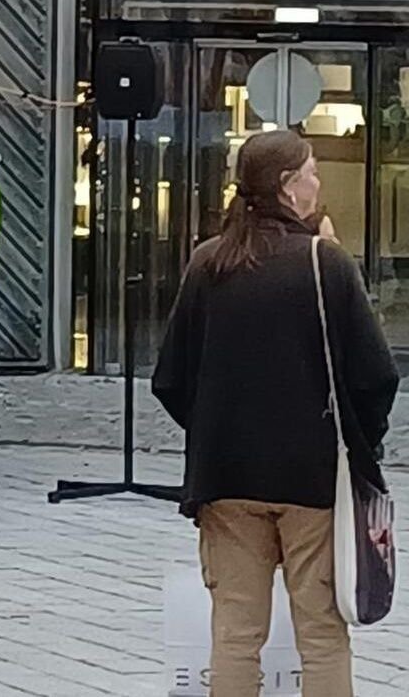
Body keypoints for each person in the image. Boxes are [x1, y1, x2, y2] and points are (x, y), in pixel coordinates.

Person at [153, 130, 398, 697]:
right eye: (311, 171)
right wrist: (362, 446)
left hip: (226, 478)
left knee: (236, 633)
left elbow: (170, 378)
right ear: (289, 186)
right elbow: (376, 375)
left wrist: (216, 427)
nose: (317, 182)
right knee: (323, 635)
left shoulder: (208, 262)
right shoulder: (324, 261)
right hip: (311, 478)